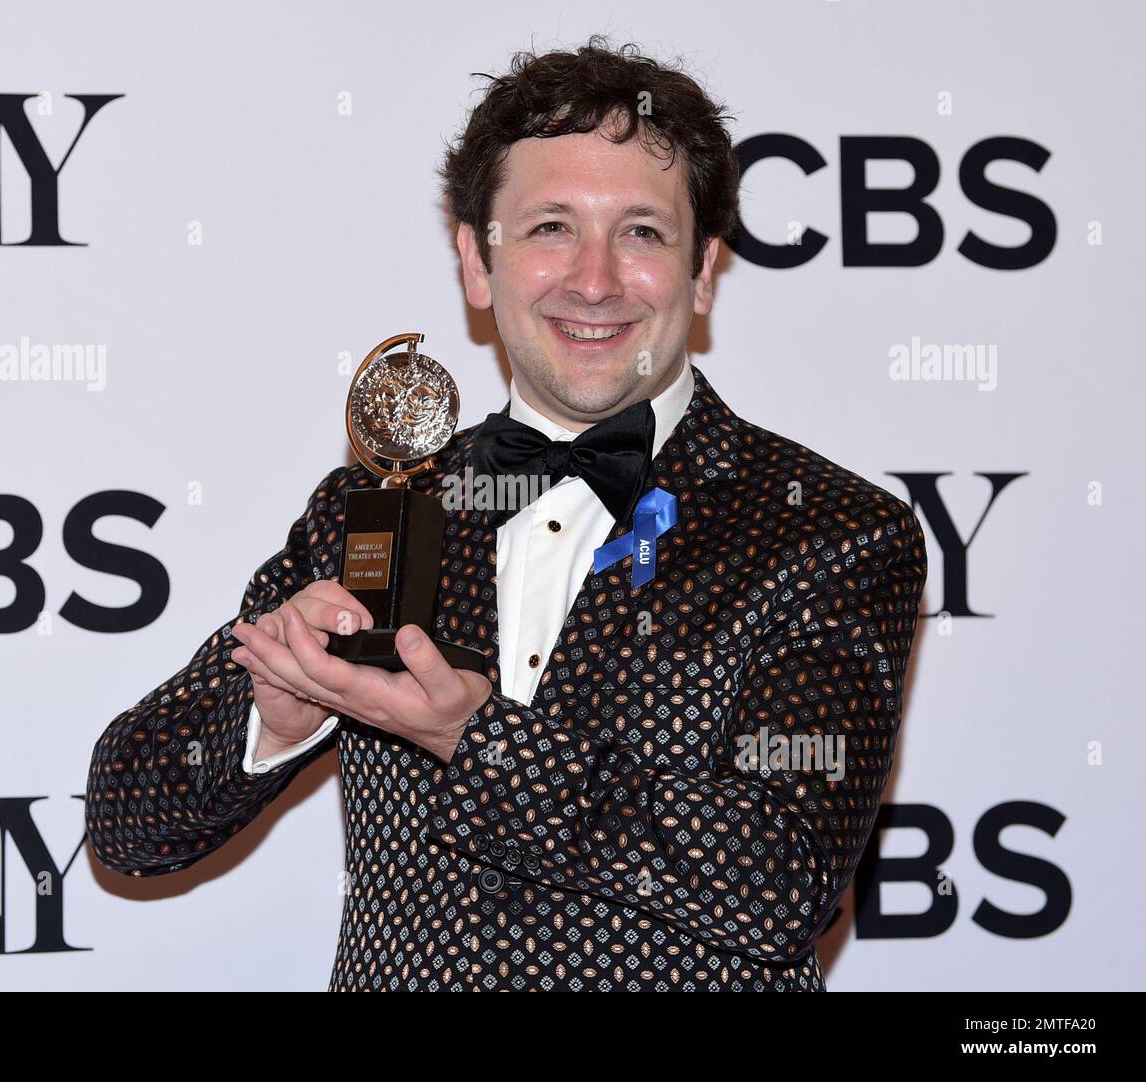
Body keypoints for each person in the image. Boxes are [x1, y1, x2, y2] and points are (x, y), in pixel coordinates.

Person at [85, 35, 928, 992]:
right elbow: (127, 824)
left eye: (643, 232)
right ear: (476, 263)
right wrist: (269, 718)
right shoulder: (375, 510)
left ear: (703, 274)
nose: (595, 280)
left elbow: (782, 876)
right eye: (551, 228)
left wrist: (472, 741)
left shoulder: (830, 531)